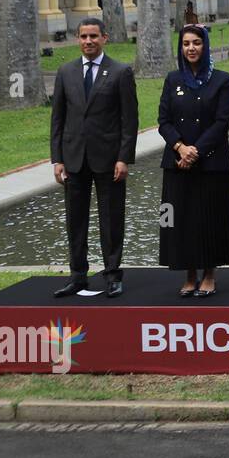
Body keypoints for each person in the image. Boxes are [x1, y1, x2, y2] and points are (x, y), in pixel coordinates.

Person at [49, 17, 138, 298]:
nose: (89, 41)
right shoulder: (65, 72)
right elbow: (58, 119)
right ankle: (78, 276)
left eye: (94, 36)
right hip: (74, 158)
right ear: (78, 39)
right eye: (84, 36)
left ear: (104, 38)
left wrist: (124, 158)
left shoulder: (120, 72)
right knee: (75, 221)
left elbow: (129, 120)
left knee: (111, 220)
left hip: (109, 160)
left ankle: (112, 275)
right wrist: (57, 159)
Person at [157, 25, 229, 296]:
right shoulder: (172, 80)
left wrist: (195, 152)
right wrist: (180, 148)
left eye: (196, 43)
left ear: (205, 46)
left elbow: (221, 122)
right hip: (177, 164)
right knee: (178, 219)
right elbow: (163, 121)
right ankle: (189, 274)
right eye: (185, 44)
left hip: (211, 163)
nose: (191, 48)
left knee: (209, 220)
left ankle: (209, 274)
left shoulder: (223, 80)